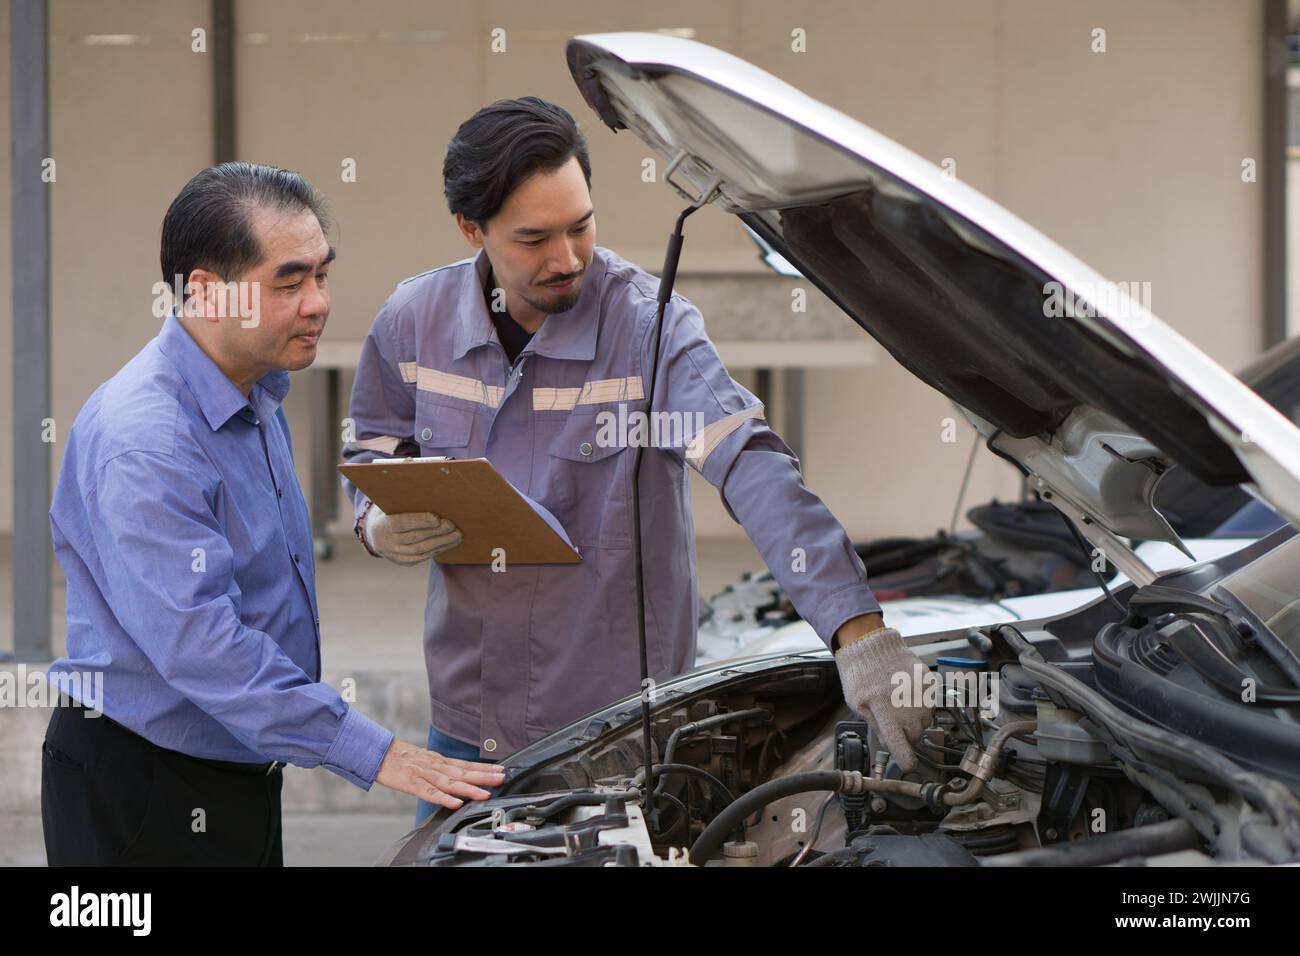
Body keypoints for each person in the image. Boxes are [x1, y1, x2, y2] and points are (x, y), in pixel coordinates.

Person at [341, 99, 931, 826]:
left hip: (619, 732)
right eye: (534, 239)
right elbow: (371, 444)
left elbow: (747, 461)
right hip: (468, 723)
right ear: (472, 229)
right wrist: (375, 522)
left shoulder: (648, 328)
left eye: (581, 225)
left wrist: (858, 632)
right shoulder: (412, 323)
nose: (567, 259)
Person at [42, 162, 503, 866]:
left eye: (321, 275)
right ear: (204, 292)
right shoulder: (148, 440)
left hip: (237, 762)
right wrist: (373, 751)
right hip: (147, 785)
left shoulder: (256, 395)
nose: (317, 302)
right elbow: (203, 645)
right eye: (288, 282)